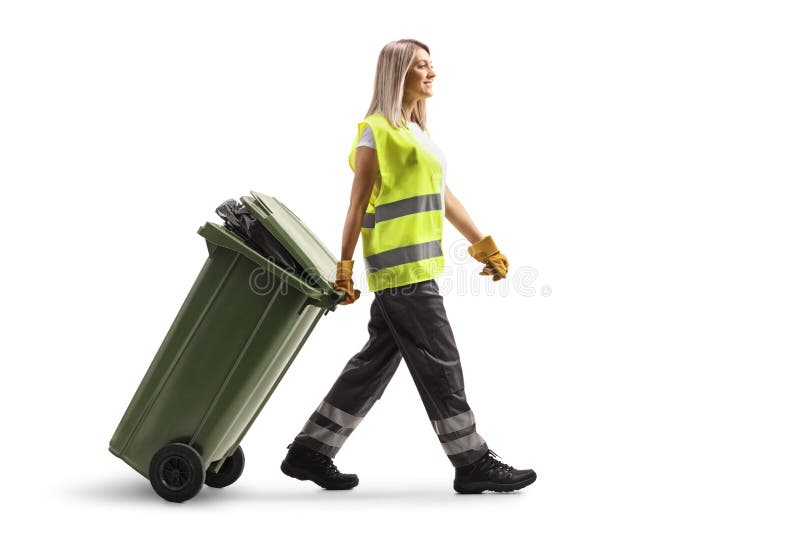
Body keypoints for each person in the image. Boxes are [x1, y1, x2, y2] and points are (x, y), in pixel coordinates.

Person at [280, 38, 537, 494]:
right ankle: (471, 459)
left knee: (374, 363)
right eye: (421, 66)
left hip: (418, 265)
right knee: (441, 362)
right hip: (401, 273)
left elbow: (441, 195)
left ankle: (310, 450)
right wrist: (345, 268)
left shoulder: (417, 131)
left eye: (431, 65)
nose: (431, 72)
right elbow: (356, 206)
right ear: (398, 75)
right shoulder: (375, 131)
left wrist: (482, 244)